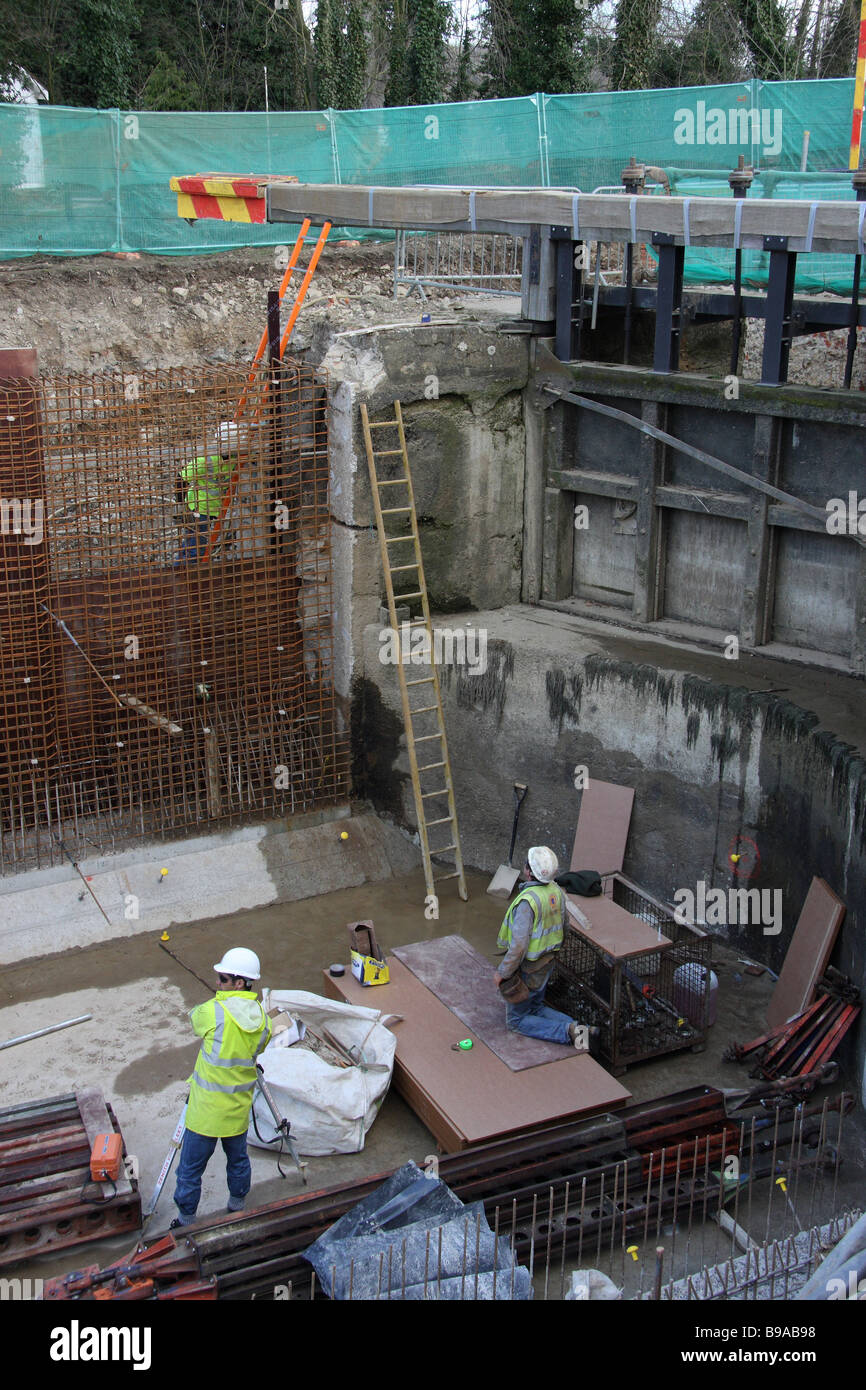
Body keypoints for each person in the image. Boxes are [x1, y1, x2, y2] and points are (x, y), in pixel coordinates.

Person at [171, 946, 272, 1228]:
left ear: (239, 983)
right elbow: (260, 1046)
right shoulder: (263, 1019)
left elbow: (194, 1021)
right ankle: (237, 1206)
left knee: (189, 1170)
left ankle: (186, 1219)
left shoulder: (213, 1012)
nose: (218, 983)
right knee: (238, 1161)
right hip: (237, 1111)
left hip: (204, 1112)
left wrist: (220, 1003)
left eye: (223, 979)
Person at [493, 845, 597, 1050]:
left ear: (529, 872)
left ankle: (568, 1032)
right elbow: (565, 926)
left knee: (517, 1021)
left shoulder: (527, 902)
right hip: (548, 960)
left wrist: (503, 972)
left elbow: (519, 946)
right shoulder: (556, 891)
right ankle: (581, 1030)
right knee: (536, 1006)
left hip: (529, 966)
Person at [175, 421, 239, 563]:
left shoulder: (235, 457)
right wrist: (181, 507)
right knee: (194, 549)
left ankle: (181, 575)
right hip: (199, 509)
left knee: (194, 546)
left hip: (213, 509)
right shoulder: (206, 459)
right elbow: (181, 478)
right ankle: (183, 579)